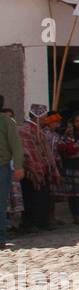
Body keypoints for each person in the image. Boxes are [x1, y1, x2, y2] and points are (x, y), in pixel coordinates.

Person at [17, 104, 59, 232]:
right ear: (38, 116)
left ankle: (42, 222)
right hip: (31, 170)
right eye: (45, 116)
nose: (46, 118)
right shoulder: (25, 129)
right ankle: (29, 224)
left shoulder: (38, 129)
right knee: (30, 197)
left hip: (42, 168)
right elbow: (26, 151)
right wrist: (33, 167)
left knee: (42, 197)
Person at [0, 97, 24, 243]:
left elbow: (16, 145)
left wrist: (18, 166)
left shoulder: (6, 121)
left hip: (1, 167)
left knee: (0, 204)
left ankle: (1, 238)